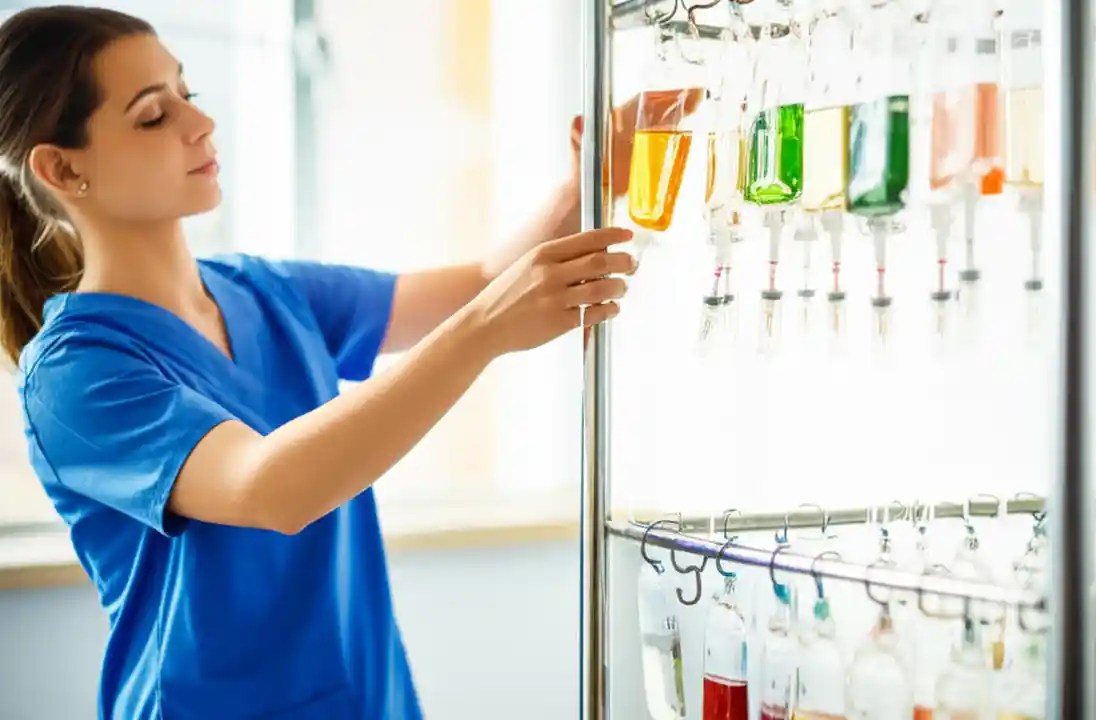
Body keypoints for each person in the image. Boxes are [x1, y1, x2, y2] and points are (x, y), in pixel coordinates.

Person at [0, 6, 697, 719]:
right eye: (152, 114)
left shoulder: (264, 292)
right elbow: (272, 490)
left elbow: (485, 281)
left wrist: (587, 181)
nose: (198, 124)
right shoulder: (76, 373)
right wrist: (486, 330)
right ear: (61, 167)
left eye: (188, 94)